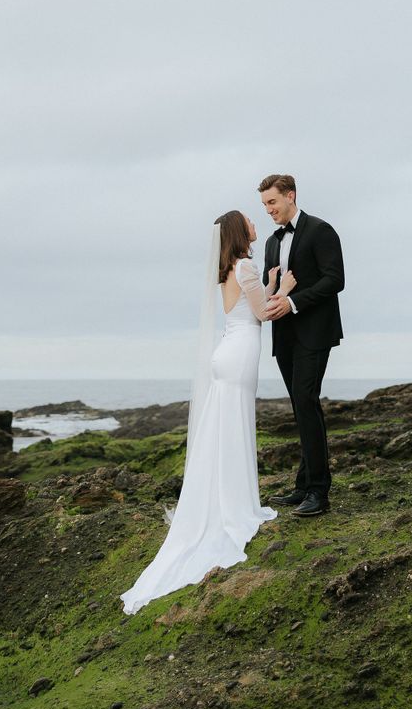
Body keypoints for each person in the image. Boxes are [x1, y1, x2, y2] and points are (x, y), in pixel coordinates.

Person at [120, 210, 292, 615]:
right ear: (239, 232)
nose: (255, 224)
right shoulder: (246, 264)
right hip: (240, 352)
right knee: (234, 428)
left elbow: (247, 305)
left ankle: (228, 500)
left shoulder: (229, 269)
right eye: (249, 221)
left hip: (227, 351)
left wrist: (268, 285)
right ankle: (235, 506)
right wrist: (283, 288)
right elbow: (262, 314)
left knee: (224, 429)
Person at [259, 174, 344, 516]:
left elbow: (335, 279)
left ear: (290, 196)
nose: (268, 210)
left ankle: (319, 492)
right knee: (299, 405)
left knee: (306, 401)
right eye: (264, 205)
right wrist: (276, 296)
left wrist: (293, 302)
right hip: (284, 336)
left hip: (315, 332)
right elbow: (270, 286)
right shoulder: (271, 242)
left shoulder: (321, 230)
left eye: (272, 202)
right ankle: (303, 485)